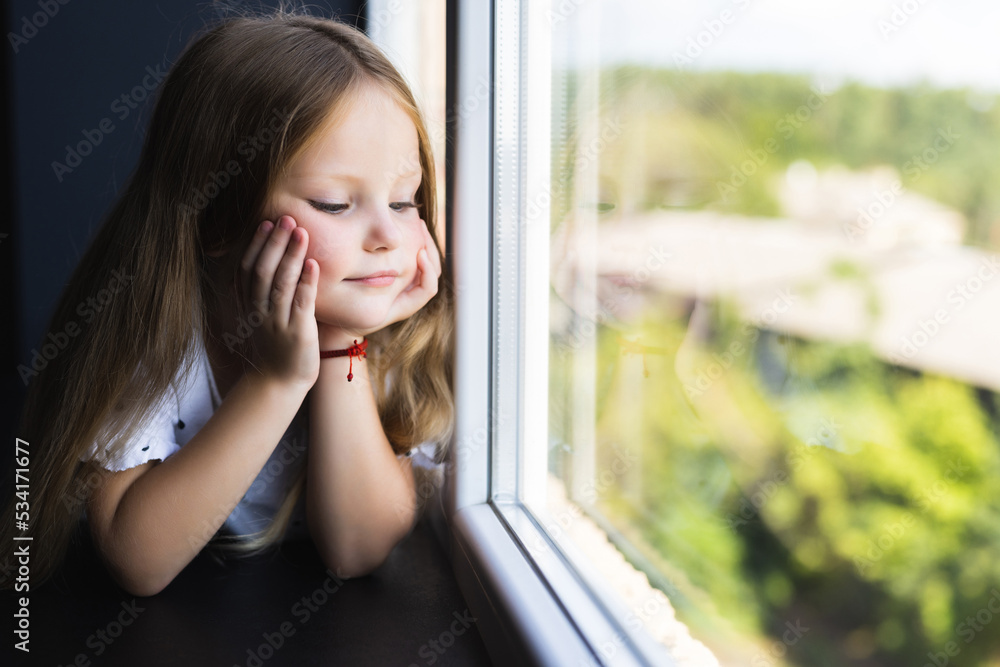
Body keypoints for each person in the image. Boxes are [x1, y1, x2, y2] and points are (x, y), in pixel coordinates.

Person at [1, 10, 454, 597]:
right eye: (333, 204)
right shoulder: (163, 337)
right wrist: (277, 380)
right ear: (217, 217)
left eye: (404, 201)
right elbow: (138, 563)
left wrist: (341, 344)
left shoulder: (395, 336)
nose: (388, 236)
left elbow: (356, 551)